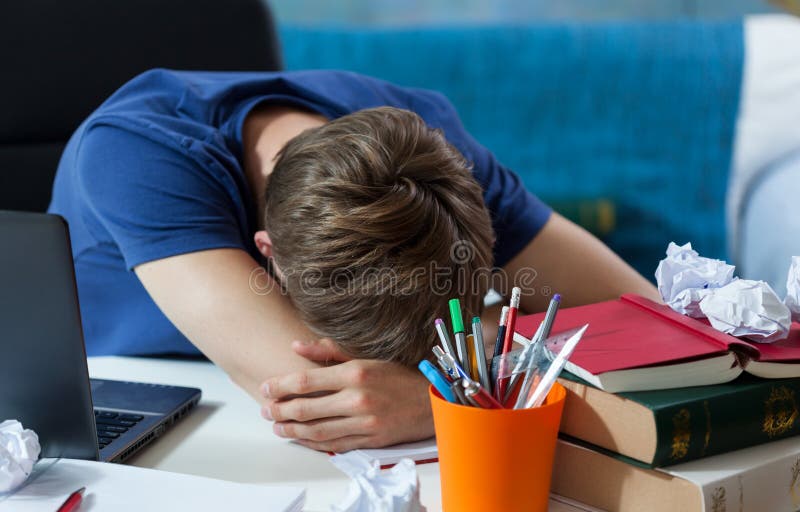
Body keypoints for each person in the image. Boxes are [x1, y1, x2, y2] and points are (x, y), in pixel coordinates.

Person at [49, 69, 658, 452]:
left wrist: (439, 393)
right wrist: (460, 387)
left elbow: (646, 316)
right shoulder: (135, 156)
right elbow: (313, 396)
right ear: (269, 260)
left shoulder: (433, 158)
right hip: (134, 404)